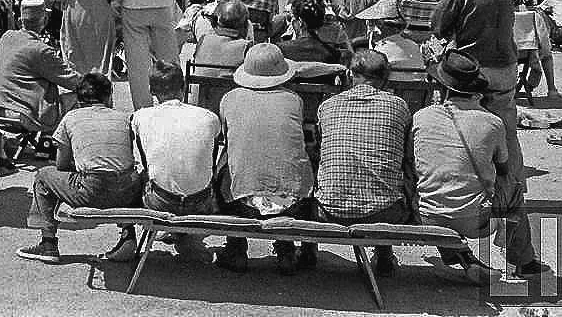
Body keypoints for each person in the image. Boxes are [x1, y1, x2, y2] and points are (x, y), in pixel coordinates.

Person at [414, 51, 539, 278]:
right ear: (477, 92)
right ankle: (524, 260)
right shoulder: (493, 123)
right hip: (475, 222)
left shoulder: (421, 117)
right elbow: (502, 172)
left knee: (431, 185)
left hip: (424, 215)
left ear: (443, 88)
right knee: (514, 187)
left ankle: (458, 254)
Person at [430, 0, 524, 195]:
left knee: (466, 130)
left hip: (474, 71)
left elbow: (437, 27)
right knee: (507, 131)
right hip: (506, 68)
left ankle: (467, 190)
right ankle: (514, 189)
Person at [16, 72, 144, 264]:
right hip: (128, 191)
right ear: (109, 96)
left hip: (92, 189)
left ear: (79, 97)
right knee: (128, 173)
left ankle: (48, 243)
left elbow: (61, 165)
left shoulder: (71, 118)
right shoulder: (125, 118)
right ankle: (127, 234)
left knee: (43, 176)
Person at [212, 43, 317, 273]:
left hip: (242, 203)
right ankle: (286, 249)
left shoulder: (229, 99)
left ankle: (236, 248)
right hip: (293, 204)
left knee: (227, 161)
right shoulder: (293, 100)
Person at [314, 50, 412, 276]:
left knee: (317, 160)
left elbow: (320, 151)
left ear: (350, 75)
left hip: (329, 211)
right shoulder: (398, 106)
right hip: (387, 212)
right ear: (386, 77)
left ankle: (308, 252)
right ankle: (384, 252)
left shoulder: (328, 106)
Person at [129, 61, 220, 262]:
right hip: (201, 202)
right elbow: (210, 160)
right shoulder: (209, 117)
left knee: (140, 173)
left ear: (152, 91)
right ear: (184, 87)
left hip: (160, 201)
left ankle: (129, 237)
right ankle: (181, 231)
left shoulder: (140, 117)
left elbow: (144, 161)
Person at [0, 0, 81, 135]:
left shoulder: (6, 37)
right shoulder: (41, 50)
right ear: (45, 21)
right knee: (82, 95)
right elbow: (74, 82)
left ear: (19, 21)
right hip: (24, 114)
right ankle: (60, 148)